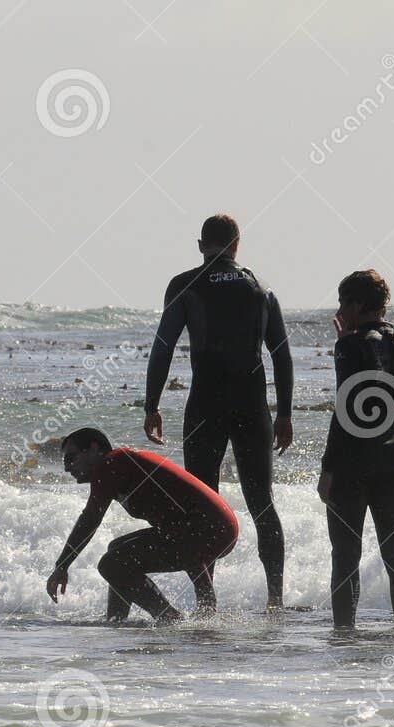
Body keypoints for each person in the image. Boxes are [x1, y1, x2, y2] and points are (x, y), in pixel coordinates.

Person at [143, 213, 293, 610]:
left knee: (202, 507)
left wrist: (152, 405)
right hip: (252, 405)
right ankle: (275, 599)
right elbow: (281, 355)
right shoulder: (262, 287)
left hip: (206, 405)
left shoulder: (185, 285)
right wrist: (285, 414)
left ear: (200, 245)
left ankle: (208, 604)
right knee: (262, 501)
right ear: (237, 245)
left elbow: (163, 348)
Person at [47, 427, 239, 623]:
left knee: (111, 563)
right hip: (209, 530)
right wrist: (206, 601)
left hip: (211, 528)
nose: (67, 468)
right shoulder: (117, 467)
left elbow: (90, 520)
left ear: (94, 448)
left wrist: (61, 566)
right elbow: (178, 531)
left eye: (71, 458)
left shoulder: (112, 463)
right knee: (116, 550)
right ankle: (116, 620)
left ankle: (169, 618)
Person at [318, 269, 394, 630]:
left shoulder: (349, 345)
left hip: (352, 465)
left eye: (344, 302)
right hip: (393, 459)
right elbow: (386, 404)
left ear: (358, 304)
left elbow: (348, 411)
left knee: (345, 556)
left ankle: (344, 635)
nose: (341, 309)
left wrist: (328, 469)